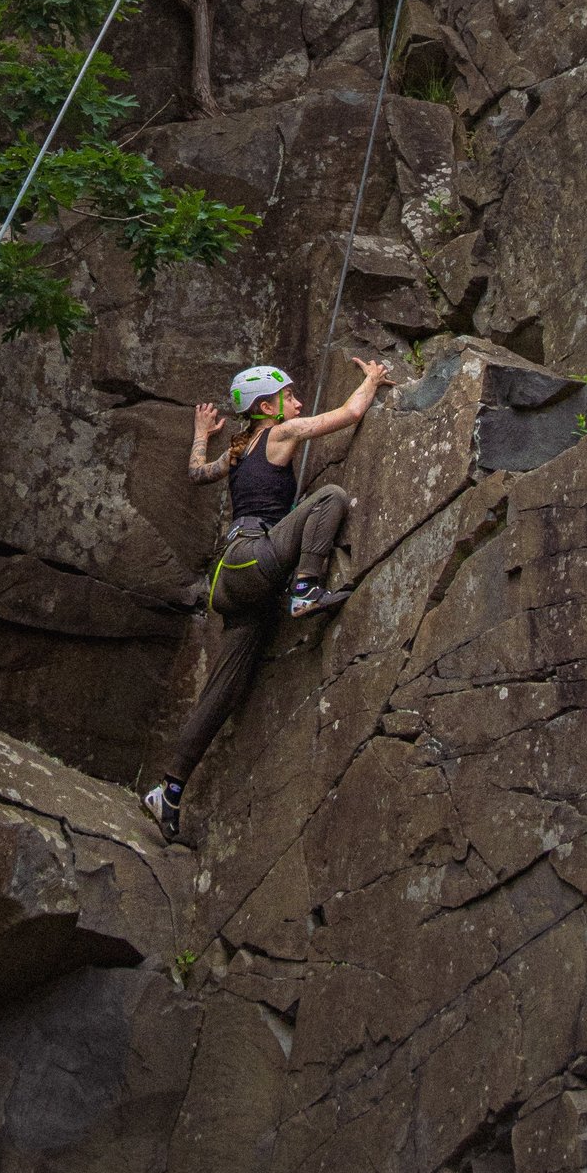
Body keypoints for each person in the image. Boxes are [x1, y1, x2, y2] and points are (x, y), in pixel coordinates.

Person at [144, 357, 387, 843]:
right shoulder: (281, 433)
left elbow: (196, 473)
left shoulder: (238, 446)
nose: (297, 403)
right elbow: (349, 415)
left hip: (231, 581)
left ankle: (169, 790)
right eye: (289, 396)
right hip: (257, 558)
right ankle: (306, 588)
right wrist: (373, 379)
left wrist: (200, 432)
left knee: (223, 691)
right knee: (331, 496)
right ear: (267, 405)